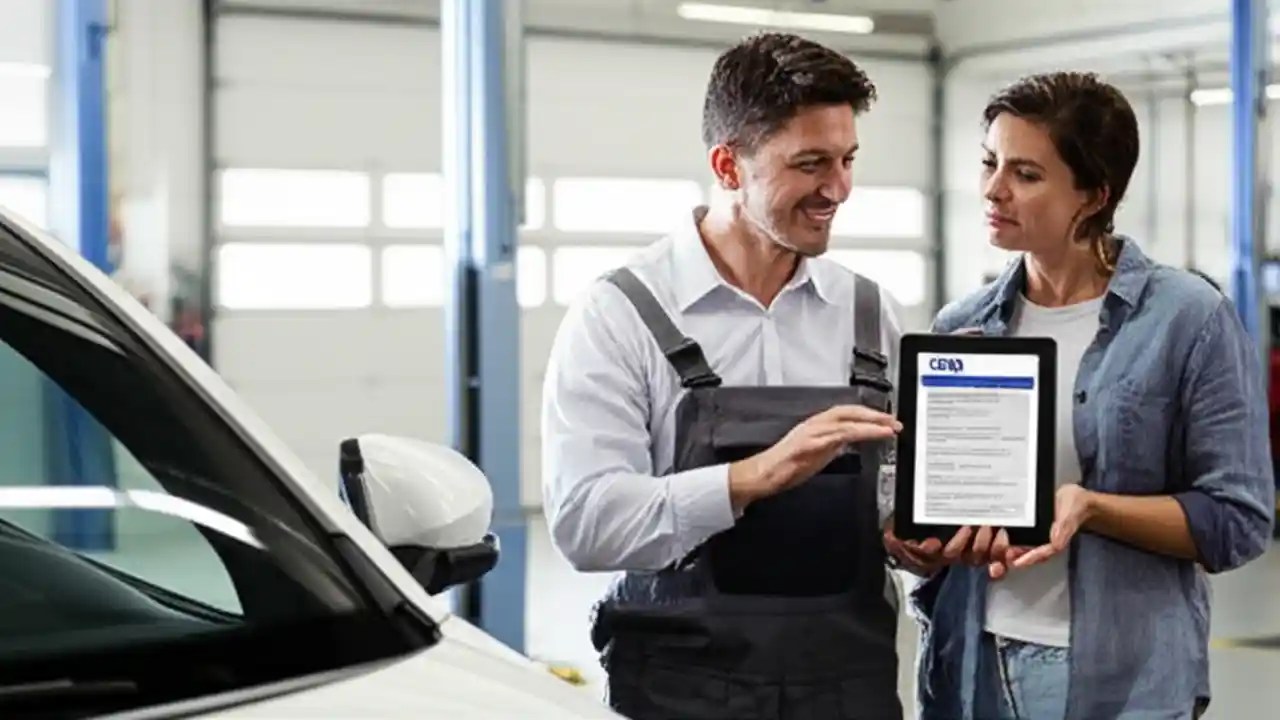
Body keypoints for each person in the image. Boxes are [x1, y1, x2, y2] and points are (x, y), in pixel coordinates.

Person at [885, 71, 1276, 720]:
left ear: (1094, 195)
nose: (993, 189)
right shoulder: (963, 325)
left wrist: (1091, 508)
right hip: (971, 667)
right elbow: (936, 506)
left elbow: (1237, 520)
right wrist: (915, 543)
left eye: (1025, 174)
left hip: (1121, 678)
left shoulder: (1187, 319)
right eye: (989, 162)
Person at [542, 32, 910, 720]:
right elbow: (585, 522)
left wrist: (918, 535)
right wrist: (753, 477)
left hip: (848, 686)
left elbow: (890, 494)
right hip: (679, 690)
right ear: (728, 165)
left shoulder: (868, 313)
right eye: (810, 164)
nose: (839, 189)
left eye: (847, 160)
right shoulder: (621, 313)